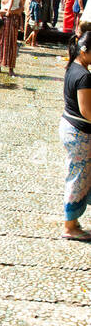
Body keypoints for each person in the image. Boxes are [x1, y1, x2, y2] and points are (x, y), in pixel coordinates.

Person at [59, 31, 91, 240]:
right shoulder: (84, 76)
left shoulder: (73, 67)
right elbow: (86, 110)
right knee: (78, 177)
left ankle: (73, 221)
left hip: (70, 127)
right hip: (79, 133)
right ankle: (70, 226)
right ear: (85, 51)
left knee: (77, 175)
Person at [0, 0, 22, 78]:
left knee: (12, 43)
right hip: (3, 20)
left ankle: (11, 68)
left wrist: (11, 12)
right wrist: (4, 12)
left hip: (13, 20)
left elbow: (21, 8)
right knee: (0, 42)